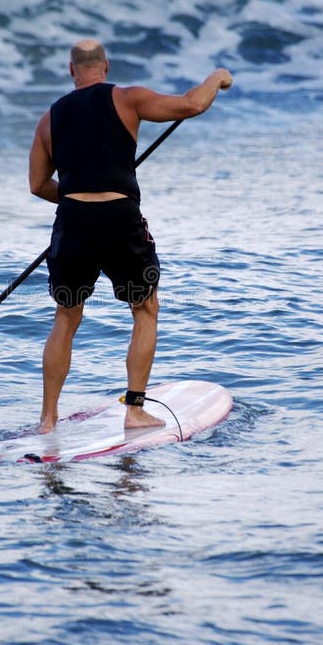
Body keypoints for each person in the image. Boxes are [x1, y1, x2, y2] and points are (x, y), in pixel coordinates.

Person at [29, 39, 232, 434]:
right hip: (119, 219)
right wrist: (217, 77)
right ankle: (134, 411)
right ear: (105, 67)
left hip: (71, 222)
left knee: (66, 317)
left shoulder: (48, 119)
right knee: (144, 309)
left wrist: (75, 195)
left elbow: (38, 185)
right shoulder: (127, 98)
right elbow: (192, 104)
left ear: (72, 70)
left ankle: (48, 419)